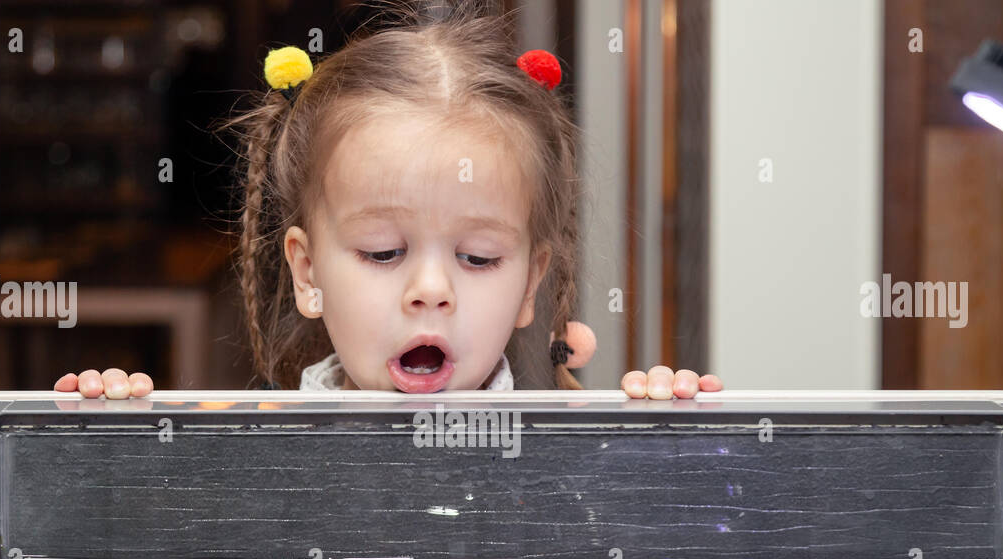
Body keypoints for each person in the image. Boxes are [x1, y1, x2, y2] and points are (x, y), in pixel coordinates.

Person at [55, 4, 721, 401]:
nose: (430, 290)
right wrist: (112, 448)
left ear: (530, 285)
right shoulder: (261, 454)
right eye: (383, 252)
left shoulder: (567, 451)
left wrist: (660, 444)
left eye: (479, 257)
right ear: (308, 272)